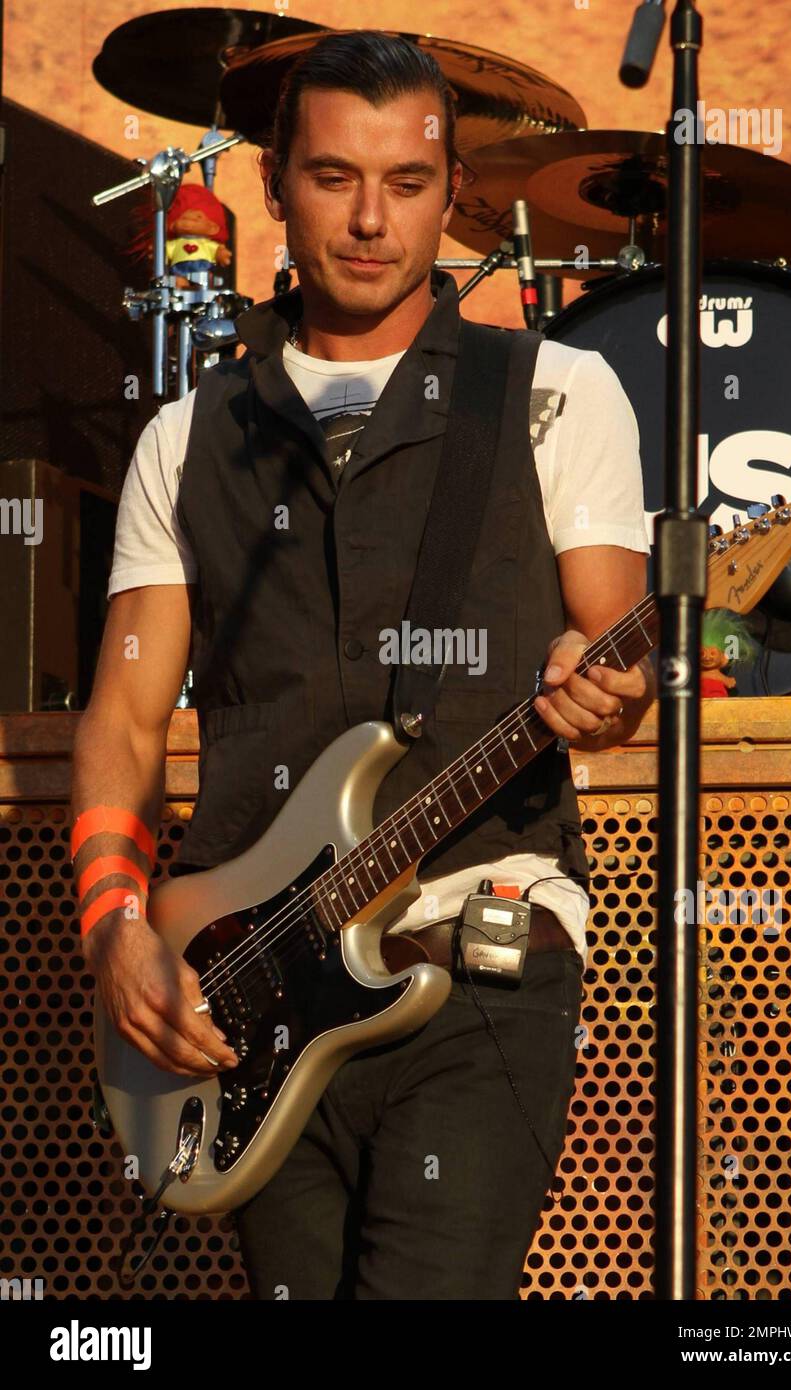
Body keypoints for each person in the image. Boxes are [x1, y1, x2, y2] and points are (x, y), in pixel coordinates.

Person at [72, 30, 654, 1300]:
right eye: (335, 178)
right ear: (272, 182)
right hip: (244, 986)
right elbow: (120, 715)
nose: (372, 220)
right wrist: (114, 925)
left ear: (454, 194)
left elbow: (615, 658)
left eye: (406, 181)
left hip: (478, 962)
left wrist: (606, 689)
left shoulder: (560, 391)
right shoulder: (188, 437)